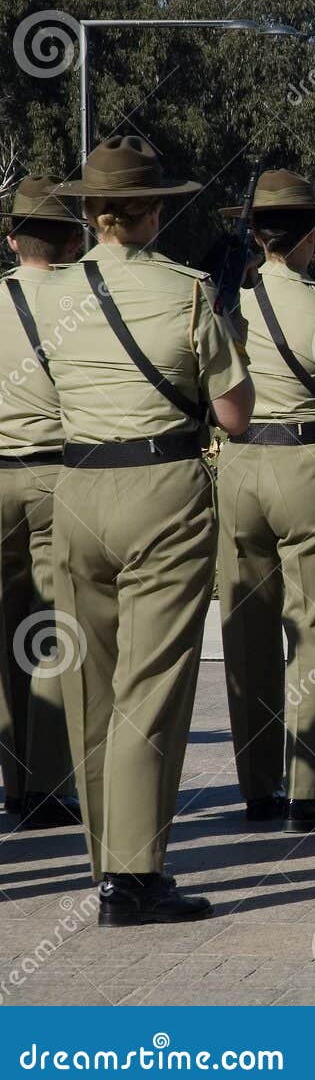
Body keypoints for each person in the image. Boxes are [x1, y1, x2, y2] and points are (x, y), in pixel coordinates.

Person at [45, 136, 255, 924]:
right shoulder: (190, 292)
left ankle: (106, 860)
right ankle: (132, 879)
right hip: (160, 487)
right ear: (156, 211)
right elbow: (235, 415)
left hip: (75, 487)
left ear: (90, 212)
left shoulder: (47, 296)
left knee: (90, 686)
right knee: (149, 688)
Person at [215, 170, 315, 831]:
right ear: (310, 235)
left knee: (247, 635)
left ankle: (257, 787)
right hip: (307, 462)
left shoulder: (221, 304)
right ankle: (306, 791)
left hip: (239, 464)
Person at [0, 174, 84, 829]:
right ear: (73, 240)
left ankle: (11, 776)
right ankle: (49, 786)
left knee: (4, 630)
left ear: (11, 240)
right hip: (59, 475)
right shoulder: (84, 302)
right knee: (51, 631)